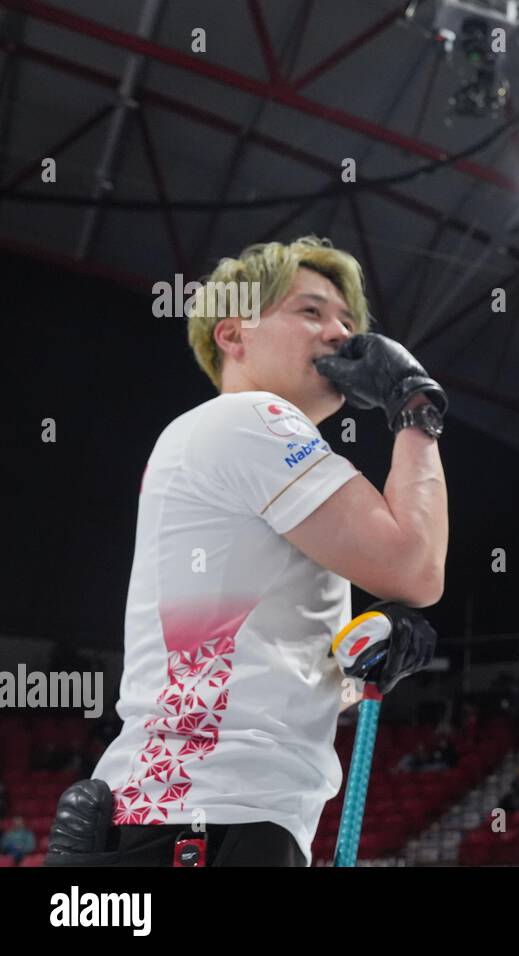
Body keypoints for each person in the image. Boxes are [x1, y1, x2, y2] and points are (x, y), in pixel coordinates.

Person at [47, 237, 449, 868]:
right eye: (311, 312)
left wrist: (358, 668)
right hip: (210, 815)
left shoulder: (236, 448)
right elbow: (414, 568)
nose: (340, 334)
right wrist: (416, 405)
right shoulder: (253, 418)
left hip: (192, 813)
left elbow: (255, 671)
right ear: (233, 334)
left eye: (348, 321)